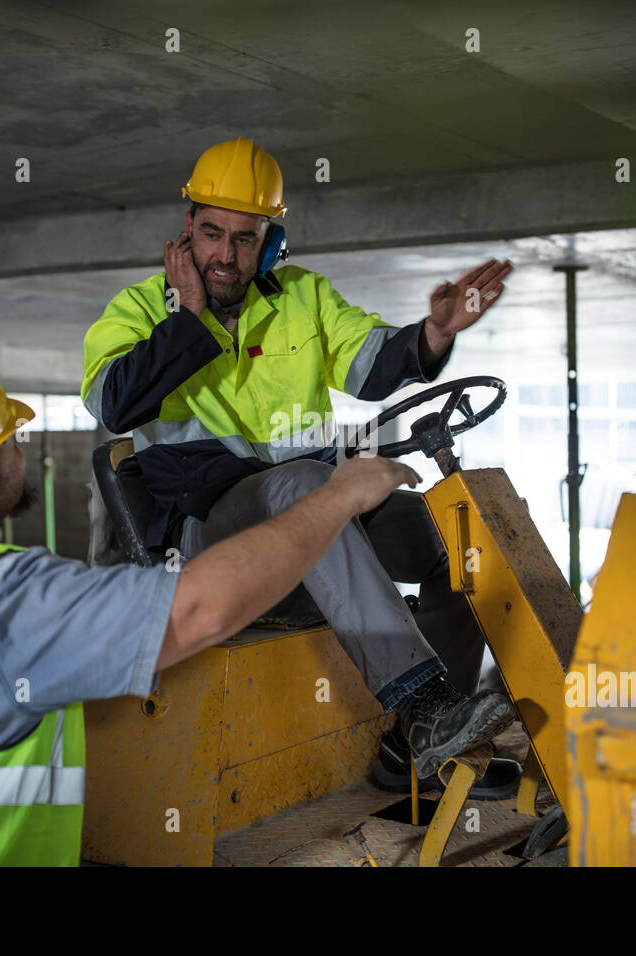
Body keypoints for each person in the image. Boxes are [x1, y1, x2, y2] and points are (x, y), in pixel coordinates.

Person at [0, 348, 419, 865]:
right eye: (11, 440)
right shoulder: (0, 598)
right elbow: (197, 611)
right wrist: (336, 496)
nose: (21, 448)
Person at [80, 137, 519, 785]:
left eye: (244, 238)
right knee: (315, 486)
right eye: (211, 234)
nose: (225, 255)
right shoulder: (141, 310)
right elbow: (114, 403)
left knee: (456, 542)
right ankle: (421, 701)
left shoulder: (304, 299)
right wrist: (190, 322)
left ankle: (418, 745)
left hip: (314, 511)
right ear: (186, 232)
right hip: (210, 530)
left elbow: (371, 365)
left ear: (271, 239)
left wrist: (434, 334)